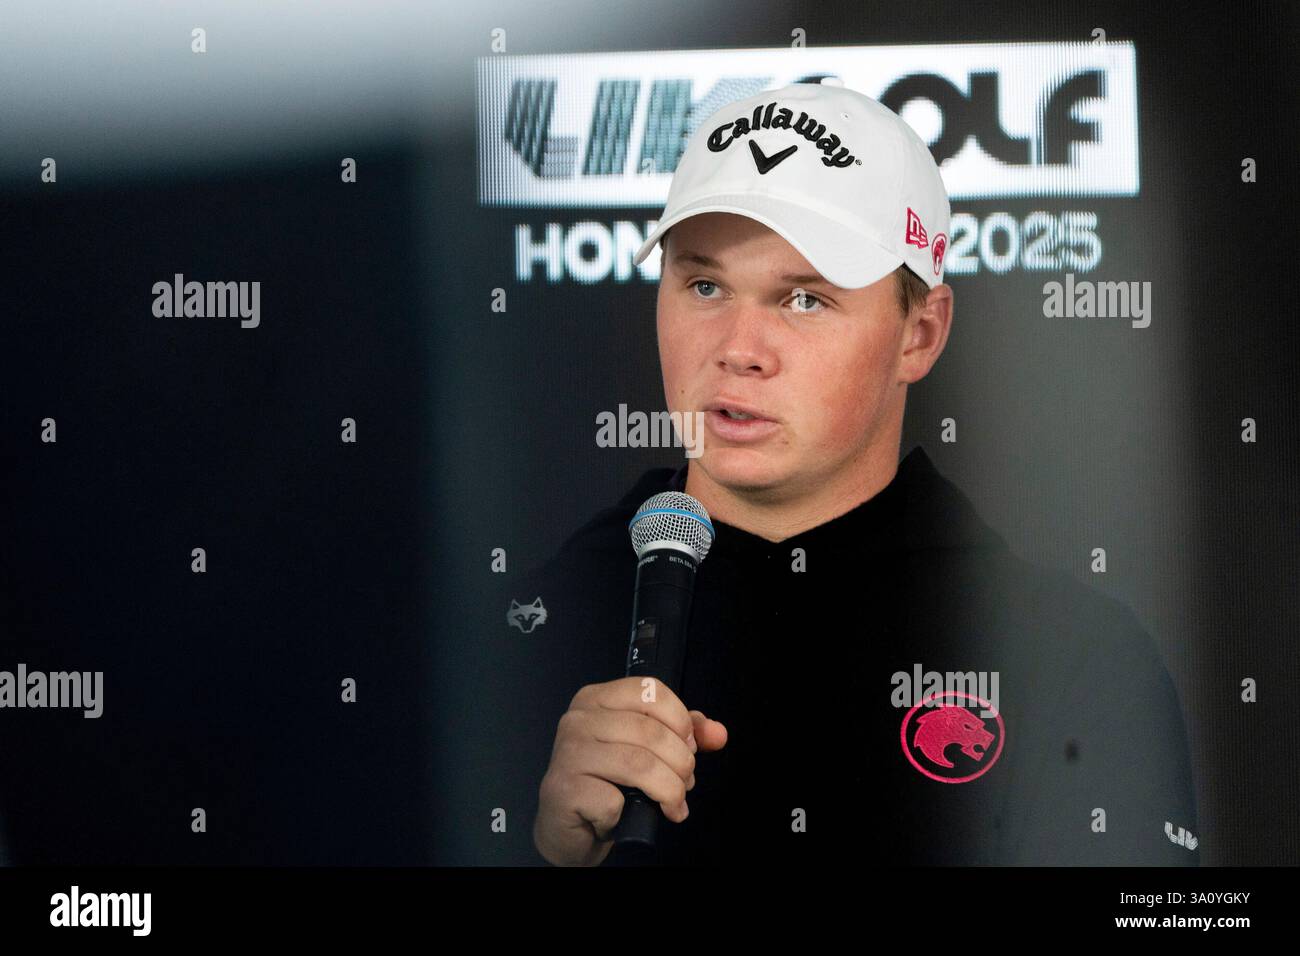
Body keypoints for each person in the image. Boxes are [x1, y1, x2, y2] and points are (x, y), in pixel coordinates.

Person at [482, 80, 1199, 867]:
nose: (740, 348)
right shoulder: (526, 631)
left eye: (804, 300)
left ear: (918, 336)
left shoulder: (1066, 655)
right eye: (706, 285)